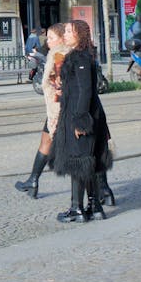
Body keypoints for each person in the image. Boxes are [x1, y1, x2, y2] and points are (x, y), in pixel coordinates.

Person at [52, 19, 113, 222]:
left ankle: (76, 209)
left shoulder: (80, 58)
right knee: (88, 162)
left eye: (69, 31)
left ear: (79, 34)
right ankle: (94, 207)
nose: (66, 34)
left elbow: (86, 90)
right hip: (85, 112)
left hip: (82, 114)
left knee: (78, 161)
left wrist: (80, 121)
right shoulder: (80, 56)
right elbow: (80, 87)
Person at [14, 23, 70, 199]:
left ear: (62, 39)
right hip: (55, 109)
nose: (48, 41)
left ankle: (100, 188)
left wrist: (45, 62)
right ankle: (33, 180)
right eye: (48, 38)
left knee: (80, 152)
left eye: (52, 38)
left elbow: (59, 83)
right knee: (45, 141)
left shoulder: (60, 55)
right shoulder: (56, 54)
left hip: (61, 109)